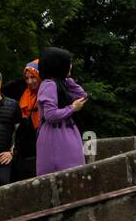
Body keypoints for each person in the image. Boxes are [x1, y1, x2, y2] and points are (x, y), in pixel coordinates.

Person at [36, 47, 88, 175]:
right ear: (58, 64)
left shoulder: (61, 83)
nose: (70, 66)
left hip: (67, 132)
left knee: (74, 173)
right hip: (56, 136)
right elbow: (50, 115)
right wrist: (72, 108)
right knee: (63, 175)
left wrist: (69, 81)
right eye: (68, 62)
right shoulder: (49, 84)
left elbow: (83, 96)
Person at [5, 60, 41, 182]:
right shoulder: (22, 94)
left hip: (42, 137)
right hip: (27, 142)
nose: (30, 82)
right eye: (27, 78)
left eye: (33, 77)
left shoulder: (48, 92)